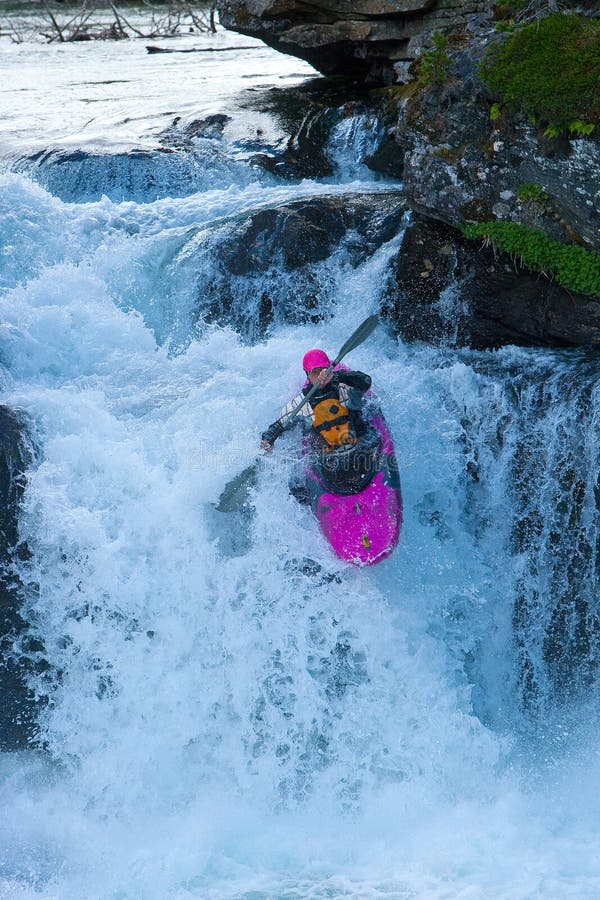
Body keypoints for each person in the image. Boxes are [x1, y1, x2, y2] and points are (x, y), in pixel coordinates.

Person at [261, 349, 379, 497]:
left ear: (330, 368)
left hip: (358, 445)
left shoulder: (344, 387)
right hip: (330, 458)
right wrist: (268, 438)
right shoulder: (300, 403)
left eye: (323, 370)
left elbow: (365, 381)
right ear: (307, 375)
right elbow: (279, 425)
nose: (319, 376)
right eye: (314, 373)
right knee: (297, 488)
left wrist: (336, 375)